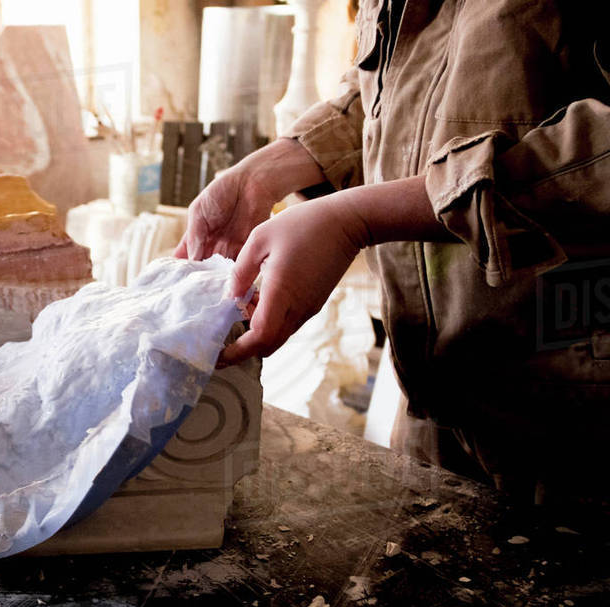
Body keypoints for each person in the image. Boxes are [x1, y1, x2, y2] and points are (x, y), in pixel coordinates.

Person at [178, 1, 610, 505]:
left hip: (577, 426)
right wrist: (269, 171)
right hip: (437, 412)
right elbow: (401, 89)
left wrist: (355, 219)